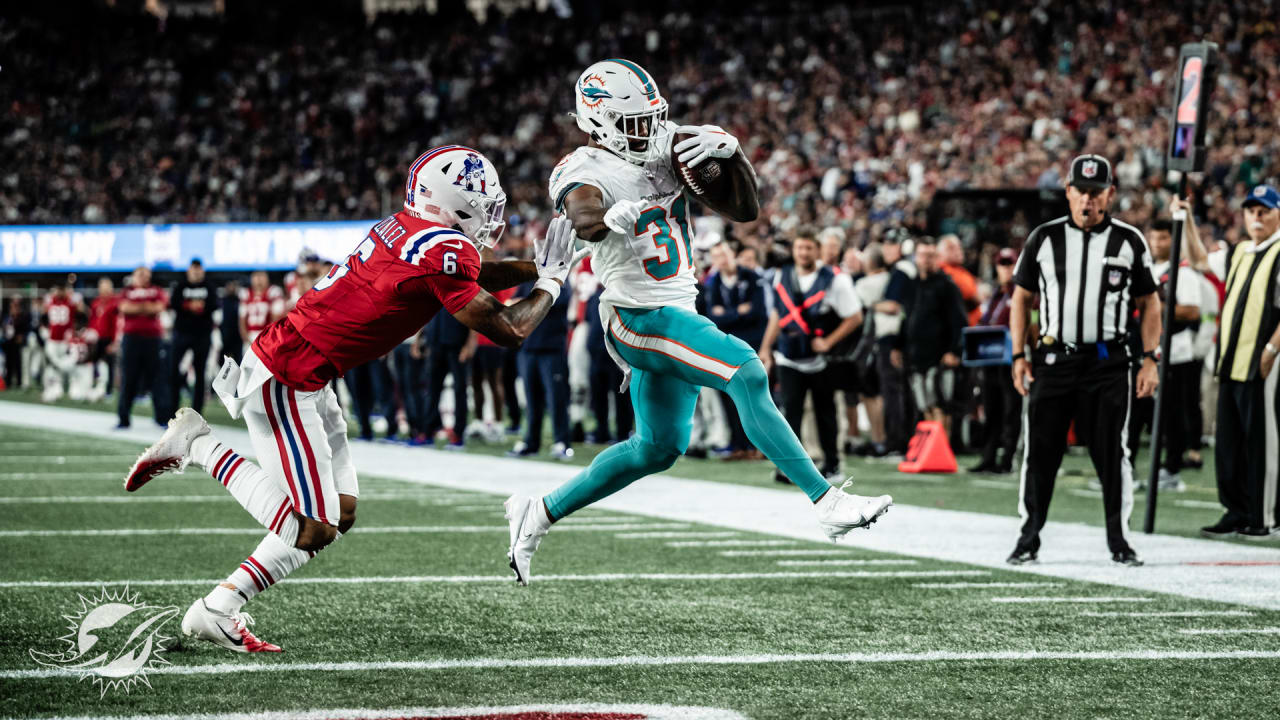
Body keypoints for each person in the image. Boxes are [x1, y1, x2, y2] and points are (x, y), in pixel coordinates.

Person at [123, 145, 578, 651]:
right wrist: (553, 281)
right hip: (290, 374)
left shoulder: (407, 229)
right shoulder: (444, 251)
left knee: (340, 512)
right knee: (312, 528)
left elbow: (461, 275)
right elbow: (511, 329)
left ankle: (218, 608)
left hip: (308, 369)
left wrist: (531, 269)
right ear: (452, 202)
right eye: (483, 202)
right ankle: (199, 447)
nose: (491, 214)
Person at [503, 60, 892, 586]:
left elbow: (745, 209)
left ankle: (539, 512)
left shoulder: (666, 139)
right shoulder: (581, 167)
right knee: (746, 370)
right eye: (633, 121)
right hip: (635, 315)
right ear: (598, 120)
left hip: (677, 311)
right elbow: (584, 214)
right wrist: (605, 219)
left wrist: (732, 156)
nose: (648, 129)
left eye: (651, 117)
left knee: (656, 448)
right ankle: (825, 500)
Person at [1007, 154, 1162, 567]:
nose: (1088, 201)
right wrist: (1019, 354)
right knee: (1041, 452)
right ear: (1069, 192)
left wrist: (1150, 359)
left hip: (1108, 362)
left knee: (1114, 452)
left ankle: (1119, 540)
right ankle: (1029, 538)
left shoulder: (1129, 240)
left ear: (1110, 194)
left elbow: (1150, 302)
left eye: (1096, 193)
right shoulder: (1043, 238)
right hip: (1054, 360)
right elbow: (1021, 298)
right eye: (1081, 192)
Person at [1201, 185, 1280, 540]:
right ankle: (1236, 509)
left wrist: (1271, 349)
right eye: (1251, 211)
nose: (1256, 217)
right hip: (1231, 361)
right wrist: (1184, 217)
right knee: (1229, 444)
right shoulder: (1239, 252)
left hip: (1261, 363)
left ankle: (1264, 516)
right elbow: (1199, 260)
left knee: (1262, 444)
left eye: (1264, 210)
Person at [759, 232, 865, 480]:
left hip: (820, 361)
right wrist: (766, 347)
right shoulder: (781, 274)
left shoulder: (835, 280)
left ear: (817, 250)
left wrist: (829, 341)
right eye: (799, 248)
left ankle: (833, 464)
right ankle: (789, 467)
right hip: (788, 356)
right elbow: (778, 313)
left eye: (808, 248)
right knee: (789, 414)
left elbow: (855, 316)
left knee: (825, 412)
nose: (803, 253)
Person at [1136, 218, 1204, 492]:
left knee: (1173, 412)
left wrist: (1155, 307)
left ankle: (1172, 468)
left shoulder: (1182, 272)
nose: (1156, 243)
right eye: (1153, 237)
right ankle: (1146, 465)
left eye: (1163, 238)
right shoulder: (1149, 268)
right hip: (1149, 347)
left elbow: (1192, 311)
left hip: (1176, 349)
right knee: (1148, 411)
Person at [704, 241, 768, 458]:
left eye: (725, 253)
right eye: (717, 256)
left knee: (753, 397)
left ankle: (757, 446)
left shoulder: (752, 277)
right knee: (729, 397)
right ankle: (737, 444)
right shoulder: (713, 282)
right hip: (727, 348)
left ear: (733, 254)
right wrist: (738, 312)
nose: (722, 259)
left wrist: (727, 314)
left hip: (751, 346)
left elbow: (756, 312)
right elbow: (713, 317)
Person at [899, 238, 966, 434]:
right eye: (922, 255)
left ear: (937, 258)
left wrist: (955, 350)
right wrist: (898, 346)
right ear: (916, 258)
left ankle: (941, 448)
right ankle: (932, 449)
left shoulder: (947, 285)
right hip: (916, 356)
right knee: (924, 405)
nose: (926, 260)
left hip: (939, 356)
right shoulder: (913, 285)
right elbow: (906, 319)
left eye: (931, 256)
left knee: (941, 402)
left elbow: (959, 321)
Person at [509, 276, 573, 460]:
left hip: (551, 348)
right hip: (528, 348)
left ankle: (562, 442)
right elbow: (512, 304)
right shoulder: (529, 279)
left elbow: (555, 301)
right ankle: (531, 442)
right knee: (531, 401)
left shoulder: (560, 279)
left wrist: (528, 302)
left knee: (556, 399)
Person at [970, 247, 1021, 474]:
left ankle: (1008, 457)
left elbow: (1031, 321)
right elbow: (984, 322)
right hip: (991, 359)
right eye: (1002, 264)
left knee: (1011, 411)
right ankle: (989, 456)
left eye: (1009, 264)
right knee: (991, 410)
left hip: (1011, 360)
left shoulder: (1022, 292)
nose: (1006, 269)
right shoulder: (995, 295)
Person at [116, 266, 170, 428]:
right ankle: (123, 418)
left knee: (157, 378)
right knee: (128, 378)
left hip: (153, 339)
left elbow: (159, 307)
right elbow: (124, 308)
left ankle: (161, 417)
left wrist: (137, 308)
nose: (144, 278)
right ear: (134, 276)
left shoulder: (156, 290)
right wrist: (146, 308)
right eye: (140, 275)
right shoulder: (127, 291)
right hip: (131, 339)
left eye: (146, 275)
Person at [170, 258, 217, 415]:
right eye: (193, 269)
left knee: (200, 373)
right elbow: (174, 303)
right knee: (174, 371)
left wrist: (193, 306)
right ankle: (172, 410)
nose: (196, 273)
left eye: (198, 269)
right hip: (182, 334)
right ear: (189, 270)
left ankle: (197, 413)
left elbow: (214, 304)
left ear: (202, 271)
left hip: (202, 335)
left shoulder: (209, 286)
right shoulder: (181, 285)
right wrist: (191, 305)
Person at [88, 277, 120, 397]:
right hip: (96, 338)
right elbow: (92, 319)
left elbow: (117, 323)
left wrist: (114, 341)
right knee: (94, 363)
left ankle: (108, 390)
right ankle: (95, 386)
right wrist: (90, 333)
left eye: (107, 287)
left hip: (109, 338)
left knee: (109, 364)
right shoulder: (96, 302)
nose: (104, 290)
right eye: (102, 287)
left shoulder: (115, 303)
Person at [239, 271, 284, 345]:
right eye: (256, 276)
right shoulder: (246, 293)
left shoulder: (273, 292)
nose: (259, 280)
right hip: (250, 335)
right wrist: (246, 337)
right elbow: (242, 320)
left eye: (261, 276)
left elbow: (276, 319)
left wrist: (268, 337)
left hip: (266, 335)